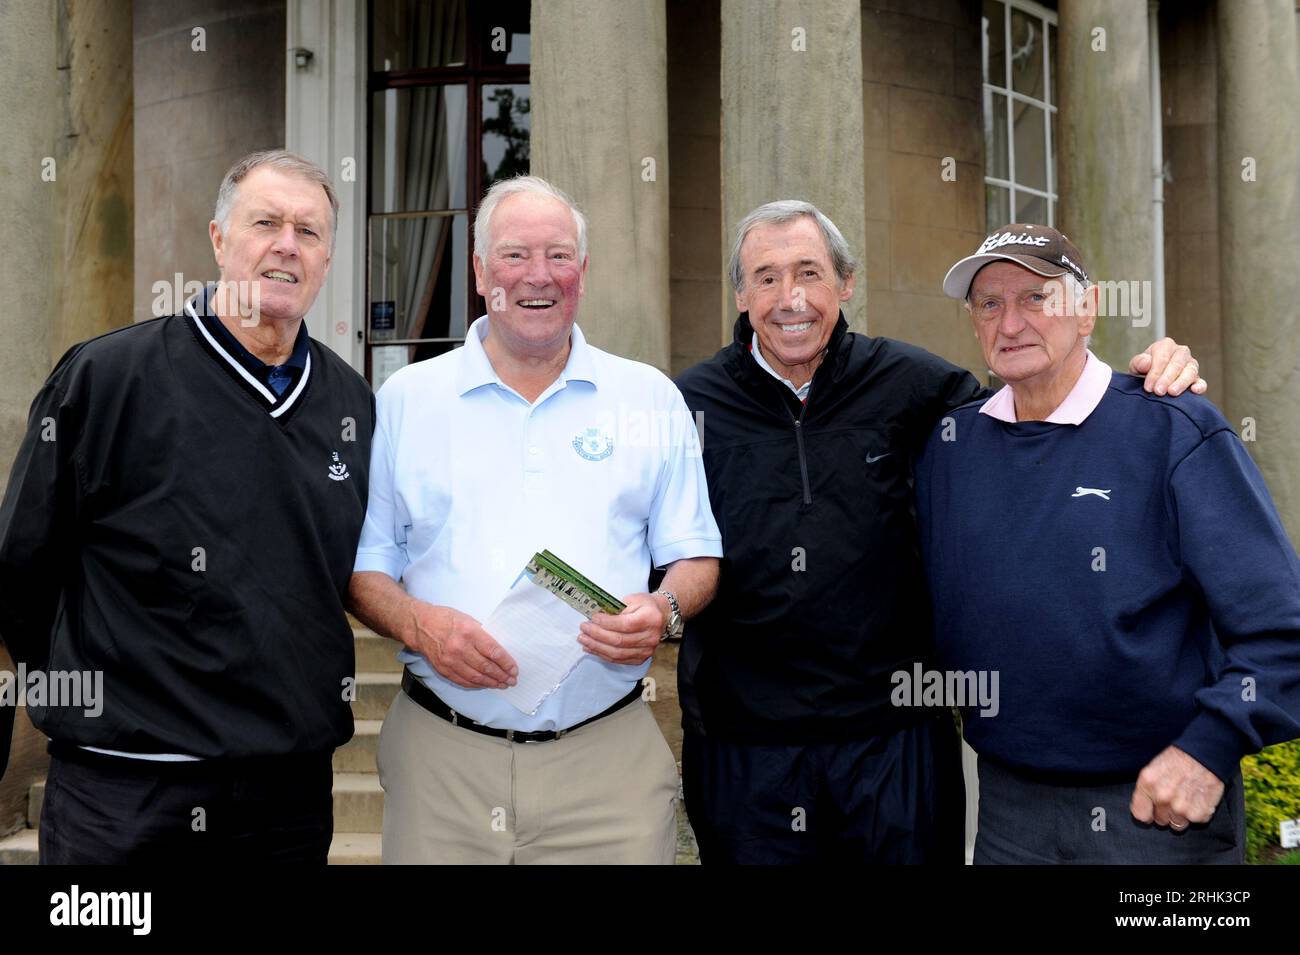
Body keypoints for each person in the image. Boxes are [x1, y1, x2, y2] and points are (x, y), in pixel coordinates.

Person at [674, 201, 1207, 864]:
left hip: (895, 742)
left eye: (809, 273)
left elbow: (1042, 403)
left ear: (846, 283)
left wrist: (1149, 370)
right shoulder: (683, 405)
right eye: (767, 277)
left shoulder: (916, 384)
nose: (791, 299)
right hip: (744, 751)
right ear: (740, 293)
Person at [0, 150, 374, 863]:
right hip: (123, 797)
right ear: (217, 239)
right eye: (265, 222)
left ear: (327, 259)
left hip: (285, 799)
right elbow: (21, 566)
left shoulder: (352, 405)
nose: (287, 245)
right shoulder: (108, 378)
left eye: (310, 231)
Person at [348, 175, 722, 864]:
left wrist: (663, 609)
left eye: (558, 255)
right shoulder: (406, 399)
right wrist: (419, 624)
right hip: (443, 761)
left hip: (606, 762)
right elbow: (365, 569)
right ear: (481, 270)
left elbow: (697, 556)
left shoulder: (648, 397)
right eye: (515, 255)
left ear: (583, 271)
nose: (538, 275)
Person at [914, 223, 1300, 863]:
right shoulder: (951, 447)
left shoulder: (1174, 429)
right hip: (1010, 813)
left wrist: (1211, 746)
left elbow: (1282, 629)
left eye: (1037, 298)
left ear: (1087, 310)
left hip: (1157, 812)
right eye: (989, 303)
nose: (1010, 323)